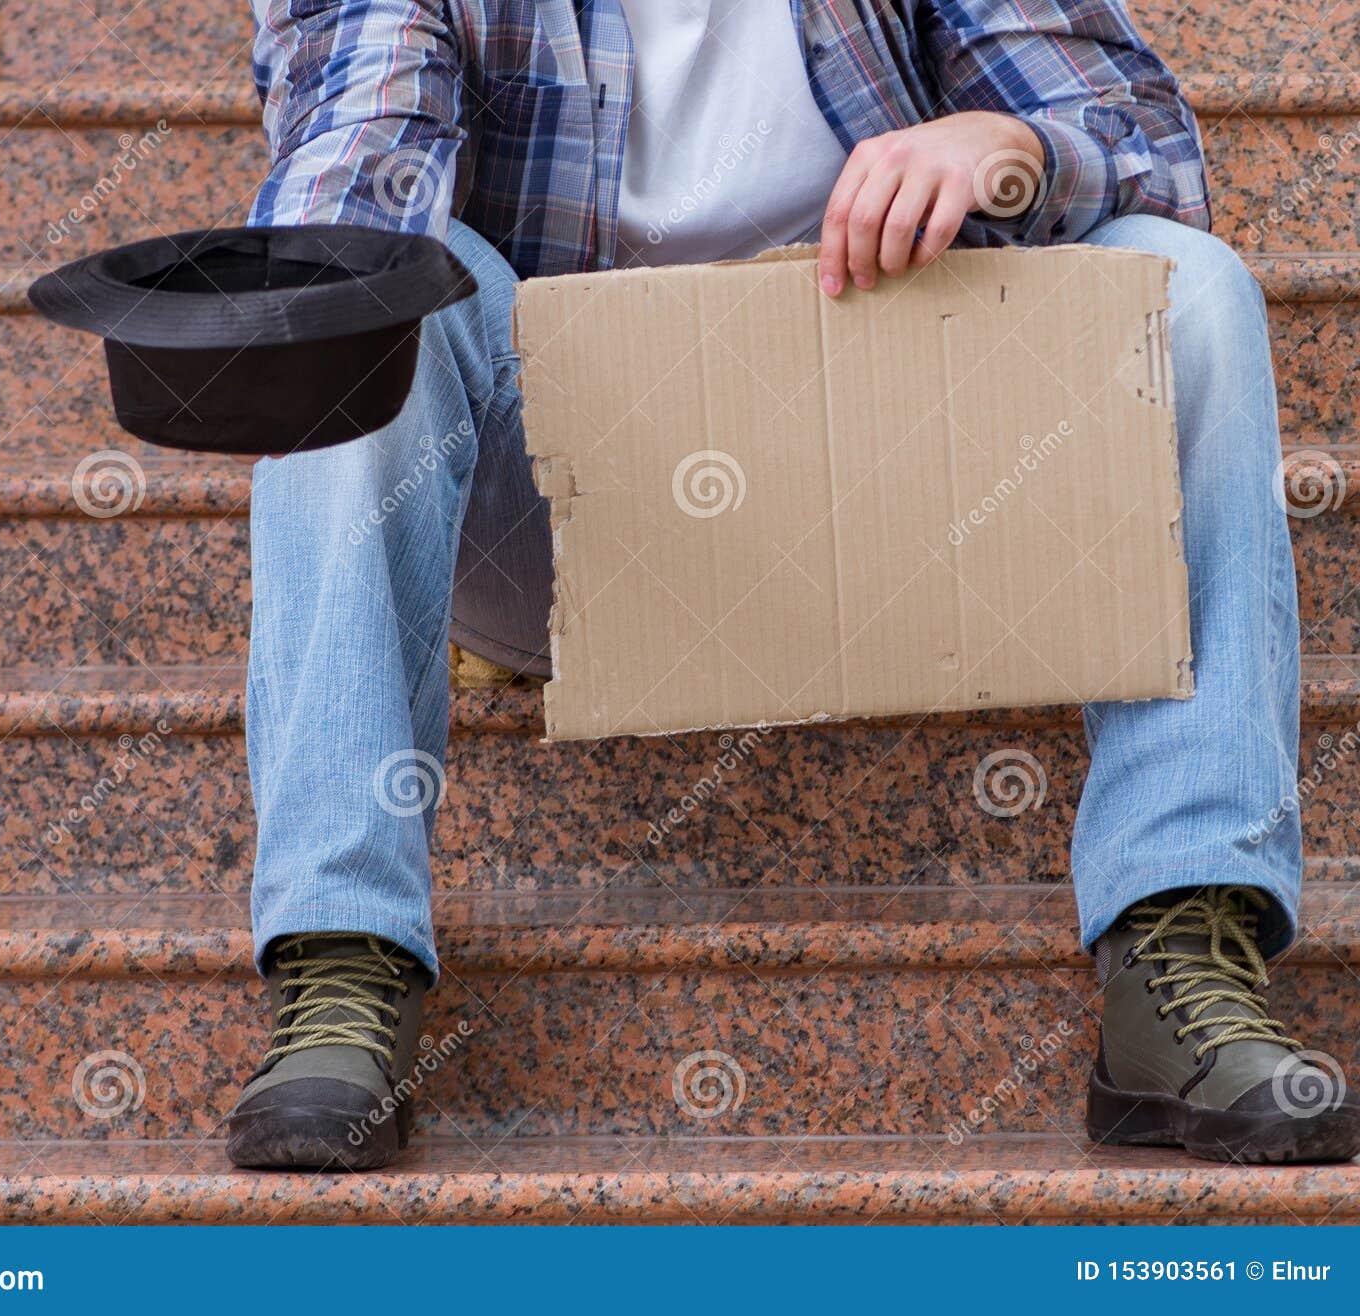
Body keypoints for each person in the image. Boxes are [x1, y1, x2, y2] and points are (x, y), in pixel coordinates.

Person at [227, 0, 1360, 1170]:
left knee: (1189, 287)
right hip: (565, 511)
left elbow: (1146, 152)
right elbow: (358, 149)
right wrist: (285, 300)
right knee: (358, 289)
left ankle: (1174, 949)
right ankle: (342, 955)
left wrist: (1002, 148)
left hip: (897, 483)